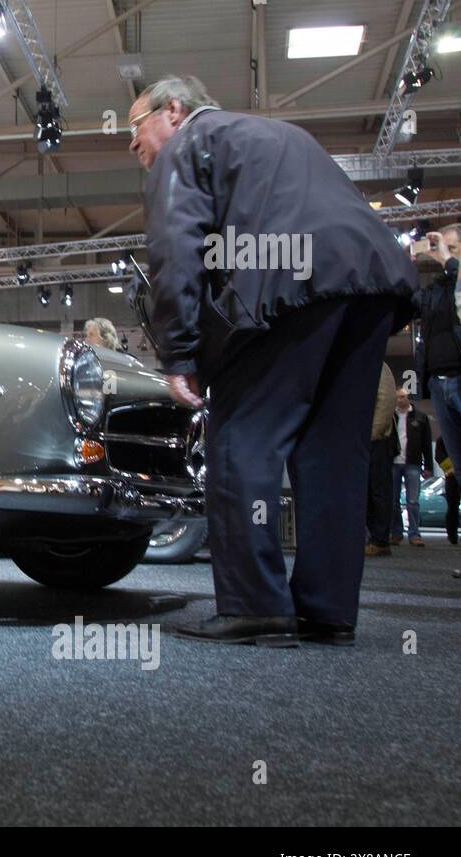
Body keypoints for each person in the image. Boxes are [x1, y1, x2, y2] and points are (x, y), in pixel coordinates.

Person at [130, 75, 418, 647]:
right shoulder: (280, 134)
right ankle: (327, 609)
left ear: (174, 109)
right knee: (333, 456)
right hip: (369, 288)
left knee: (241, 442)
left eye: (136, 127)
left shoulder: (188, 145)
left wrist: (180, 354)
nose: (133, 144)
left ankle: (255, 604)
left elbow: (174, 249)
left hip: (289, 291)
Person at [416, 223, 461, 520]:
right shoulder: (436, 289)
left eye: (453, 247)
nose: (443, 253)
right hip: (439, 383)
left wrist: (449, 260)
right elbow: (410, 302)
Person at [390, 387, 433, 547]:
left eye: (403, 397)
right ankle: (396, 533)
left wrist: (428, 466)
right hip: (393, 463)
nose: (400, 400)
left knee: (413, 501)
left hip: (413, 463)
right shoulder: (390, 417)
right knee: (393, 501)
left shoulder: (420, 417)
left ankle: (414, 534)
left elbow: (426, 444)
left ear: (408, 398)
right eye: (397, 397)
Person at [367, 363, 398, 557]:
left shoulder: (377, 363)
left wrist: (373, 433)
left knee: (378, 491)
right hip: (363, 440)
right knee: (367, 491)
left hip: (377, 439)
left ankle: (380, 540)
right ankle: (374, 537)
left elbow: (386, 398)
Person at [437, 436, 460, 544]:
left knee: (453, 506)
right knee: (452, 506)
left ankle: (452, 535)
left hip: (452, 474)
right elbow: (439, 456)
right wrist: (450, 468)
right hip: (452, 475)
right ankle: (452, 535)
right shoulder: (443, 438)